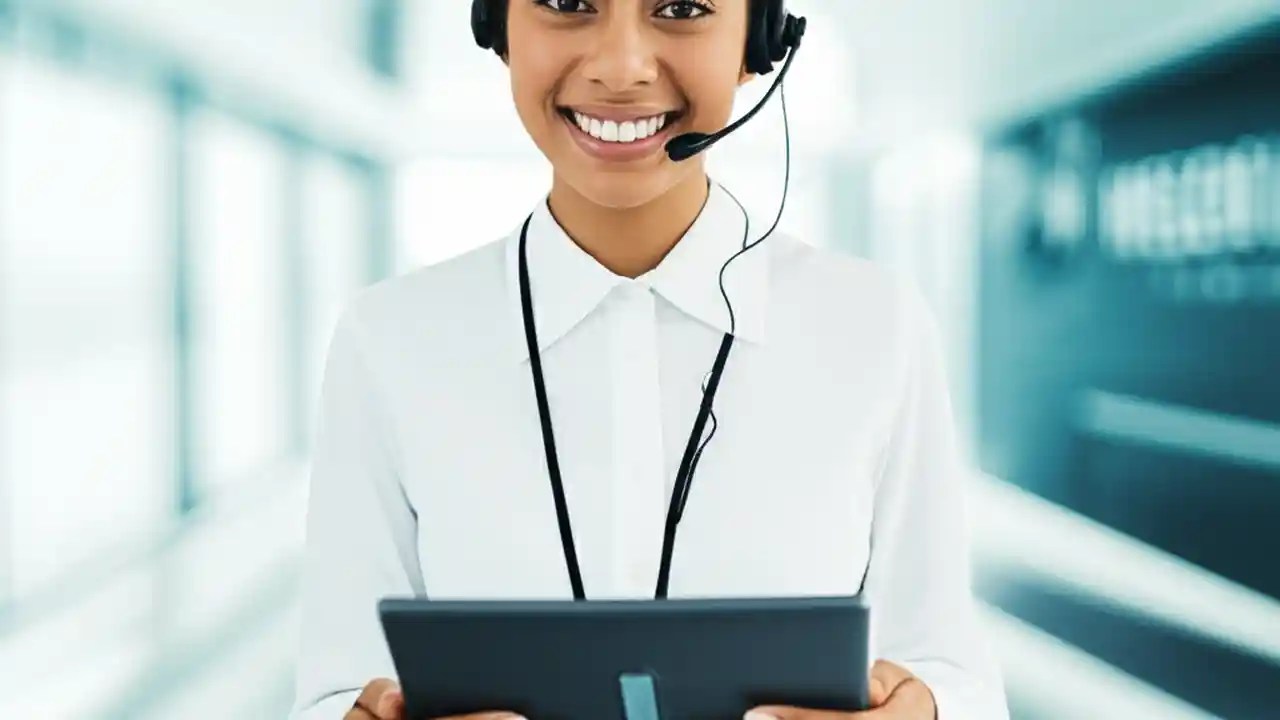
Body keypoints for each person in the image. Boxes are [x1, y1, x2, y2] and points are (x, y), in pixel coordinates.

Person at [292, 1, 1009, 719]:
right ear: (497, 26)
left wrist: (926, 709)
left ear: (759, 42)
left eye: (683, 7)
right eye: (568, 3)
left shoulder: (876, 327)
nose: (621, 67)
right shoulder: (386, 341)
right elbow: (334, 691)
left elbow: (951, 671)